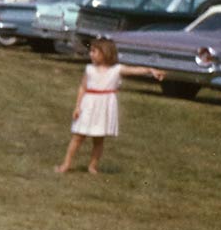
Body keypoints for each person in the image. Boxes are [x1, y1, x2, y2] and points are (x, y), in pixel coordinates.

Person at [55, 36, 164, 175]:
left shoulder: (116, 70)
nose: (91, 54)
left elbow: (134, 70)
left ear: (105, 53)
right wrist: (77, 106)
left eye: (95, 51)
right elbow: (82, 88)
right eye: (91, 51)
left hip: (104, 106)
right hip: (89, 104)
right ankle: (66, 164)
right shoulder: (89, 69)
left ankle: (93, 166)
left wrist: (150, 70)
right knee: (78, 136)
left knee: (99, 138)